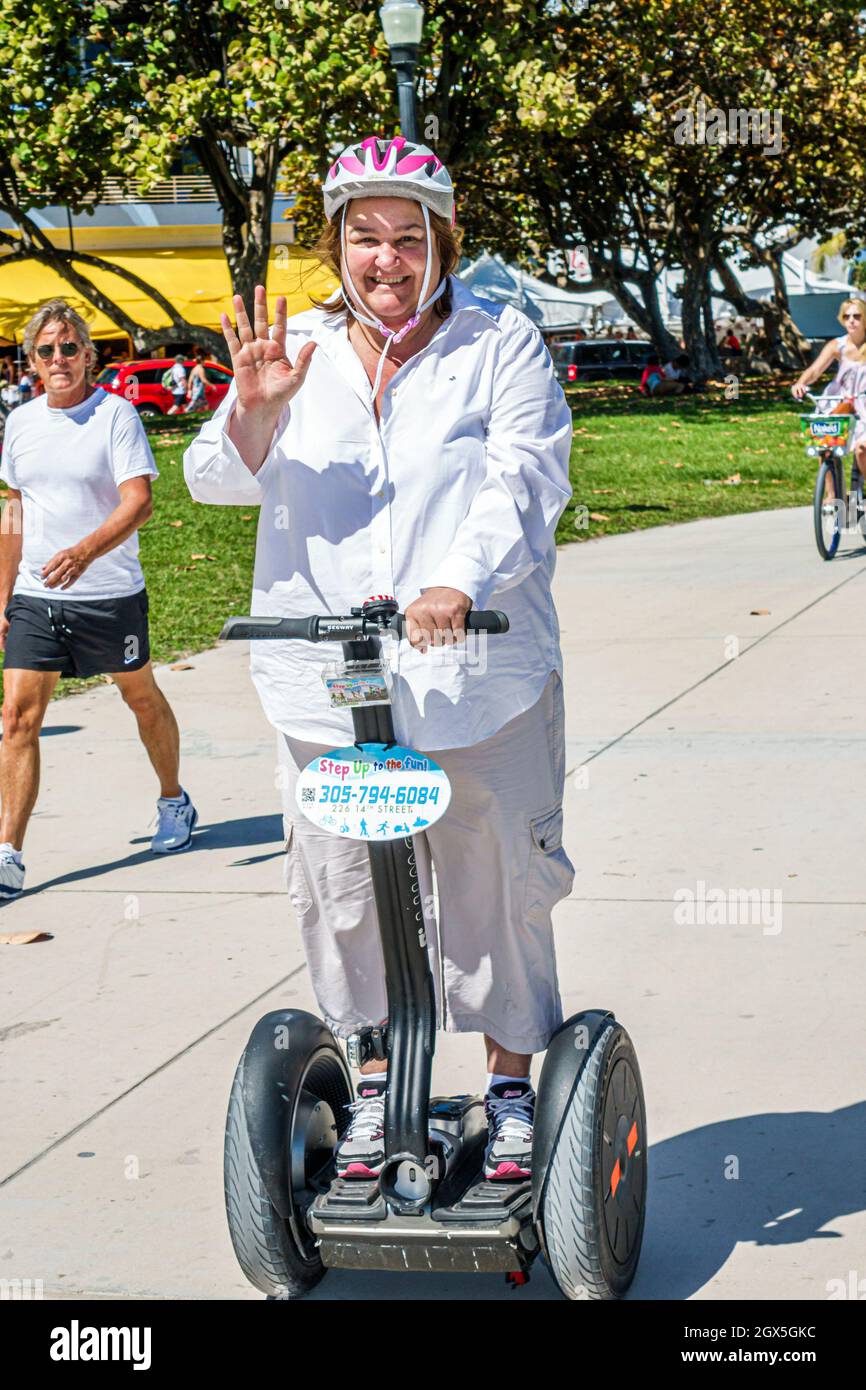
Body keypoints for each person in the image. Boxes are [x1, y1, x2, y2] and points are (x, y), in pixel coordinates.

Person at [184, 133, 575, 1182]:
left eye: (408, 236)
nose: (386, 258)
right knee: (339, 888)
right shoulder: (294, 350)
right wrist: (251, 411)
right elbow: (216, 480)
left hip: (475, 675)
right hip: (326, 684)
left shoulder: (499, 344)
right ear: (336, 244)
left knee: (497, 882)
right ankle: (370, 1083)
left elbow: (524, 479)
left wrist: (457, 580)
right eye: (365, 236)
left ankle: (506, 1086)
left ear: (442, 242)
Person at [0, 300, 198, 901]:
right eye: (45, 350)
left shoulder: (114, 414)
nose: (58, 359)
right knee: (15, 721)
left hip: (108, 593)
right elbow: (15, 511)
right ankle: (9, 853)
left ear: (88, 355)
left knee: (141, 700)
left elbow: (139, 502)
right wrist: (2, 596)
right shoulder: (21, 422)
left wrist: (84, 554)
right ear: (31, 361)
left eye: (69, 348)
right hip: (37, 595)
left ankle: (173, 800)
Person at [792, 297, 866, 482]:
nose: (851, 320)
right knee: (825, 445)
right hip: (840, 403)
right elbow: (815, 370)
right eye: (846, 316)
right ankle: (831, 498)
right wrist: (801, 383)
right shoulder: (837, 345)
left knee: (862, 449)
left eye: (856, 316)